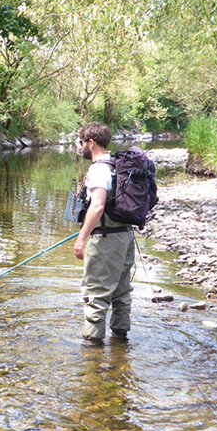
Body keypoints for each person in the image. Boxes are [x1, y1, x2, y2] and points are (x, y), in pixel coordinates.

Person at [72, 122, 135, 346]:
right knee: (121, 291)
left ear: (91, 142)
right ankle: (120, 340)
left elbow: (97, 206)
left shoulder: (99, 168)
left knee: (96, 293)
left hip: (106, 239)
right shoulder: (117, 164)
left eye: (81, 143)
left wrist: (82, 237)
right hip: (125, 236)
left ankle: (92, 346)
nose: (80, 148)